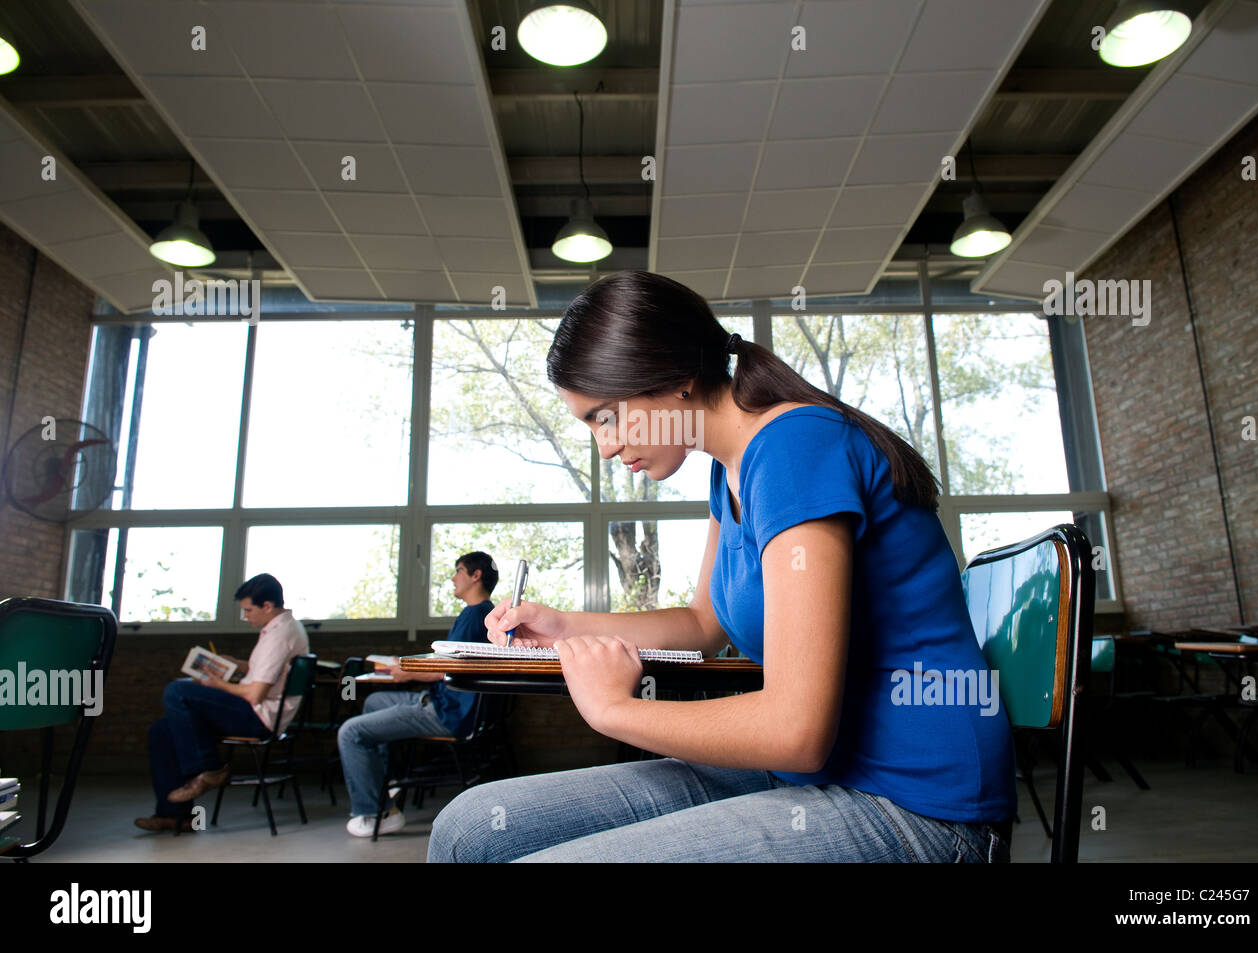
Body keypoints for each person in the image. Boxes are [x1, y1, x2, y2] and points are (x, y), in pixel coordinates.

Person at [427, 271, 1016, 863]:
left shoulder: (793, 449)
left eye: (604, 417)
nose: (603, 447)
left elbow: (796, 731)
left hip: (916, 803)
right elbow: (700, 623)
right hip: (809, 776)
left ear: (677, 380)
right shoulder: (727, 472)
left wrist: (616, 710)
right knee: (474, 828)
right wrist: (564, 626)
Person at [134, 573, 310, 833]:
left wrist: (218, 685)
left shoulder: (279, 636)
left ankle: (209, 768)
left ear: (268, 606)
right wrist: (234, 664)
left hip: (258, 717)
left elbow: (255, 694)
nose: (245, 616)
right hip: (258, 711)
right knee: (162, 731)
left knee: (176, 691)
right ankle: (175, 816)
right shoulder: (283, 627)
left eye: (248, 610)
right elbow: (261, 670)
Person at [337, 552, 496, 837]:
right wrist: (407, 666)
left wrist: (407, 672)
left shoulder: (475, 615)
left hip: (447, 713)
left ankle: (377, 813)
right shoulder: (482, 613)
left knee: (350, 733)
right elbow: (449, 662)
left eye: (459, 570)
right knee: (373, 700)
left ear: (476, 576)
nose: (453, 577)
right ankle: (385, 782)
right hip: (441, 701)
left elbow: (448, 669)